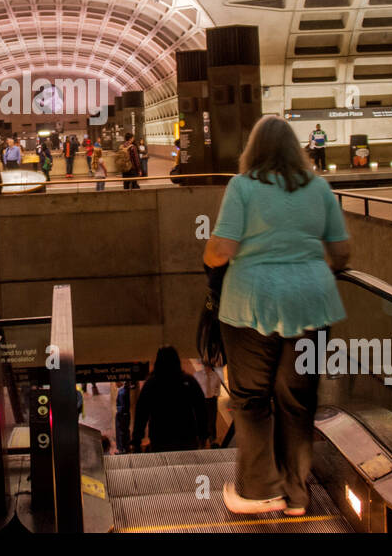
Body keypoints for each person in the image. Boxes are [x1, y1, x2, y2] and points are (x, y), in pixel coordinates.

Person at [203, 115, 351, 517]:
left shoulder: (243, 187)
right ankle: (297, 497)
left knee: (251, 399)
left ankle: (259, 491)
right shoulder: (319, 188)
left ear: (254, 150)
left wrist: (211, 256)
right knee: (298, 401)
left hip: (250, 306)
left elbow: (220, 250)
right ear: (296, 149)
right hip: (311, 305)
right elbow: (340, 252)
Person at [130, 346, 207, 453]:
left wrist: (136, 440)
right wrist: (203, 434)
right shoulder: (188, 381)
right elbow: (201, 408)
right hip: (187, 436)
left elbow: (141, 413)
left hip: (160, 438)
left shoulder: (151, 384)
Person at [191, 359, 223, 446]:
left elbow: (218, 388)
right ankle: (201, 441)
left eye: (208, 366)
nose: (206, 367)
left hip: (211, 400)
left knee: (212, 421)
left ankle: (212, 440)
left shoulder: (216, 376)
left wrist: (214, 396)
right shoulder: (197, 375)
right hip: (200, 400)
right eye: (205, 365)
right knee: (200, 420)